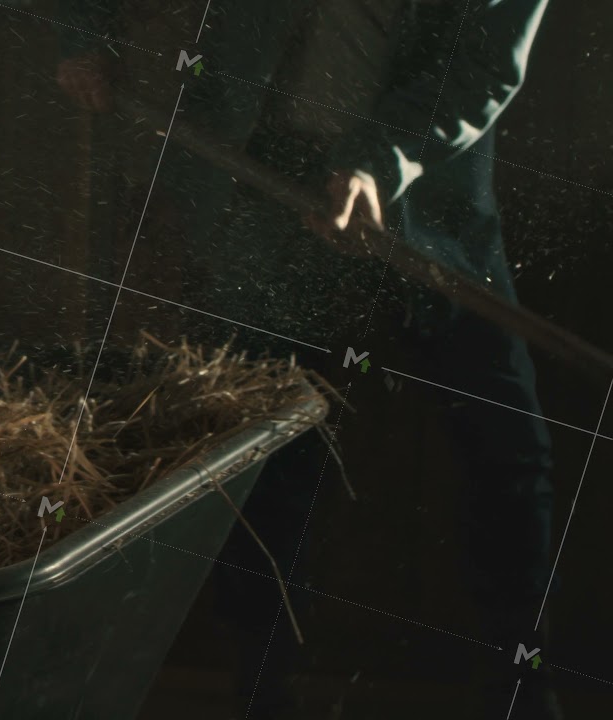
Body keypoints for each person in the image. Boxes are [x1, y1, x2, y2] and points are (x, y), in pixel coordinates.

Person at [55, 1, 562, 718]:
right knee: (264, 447)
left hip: (424, 196)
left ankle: (525, 691)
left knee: (507, 445)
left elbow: (482, 63)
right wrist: (84, 37)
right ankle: (260, 692)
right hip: (269, 180)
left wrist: (375, 164)